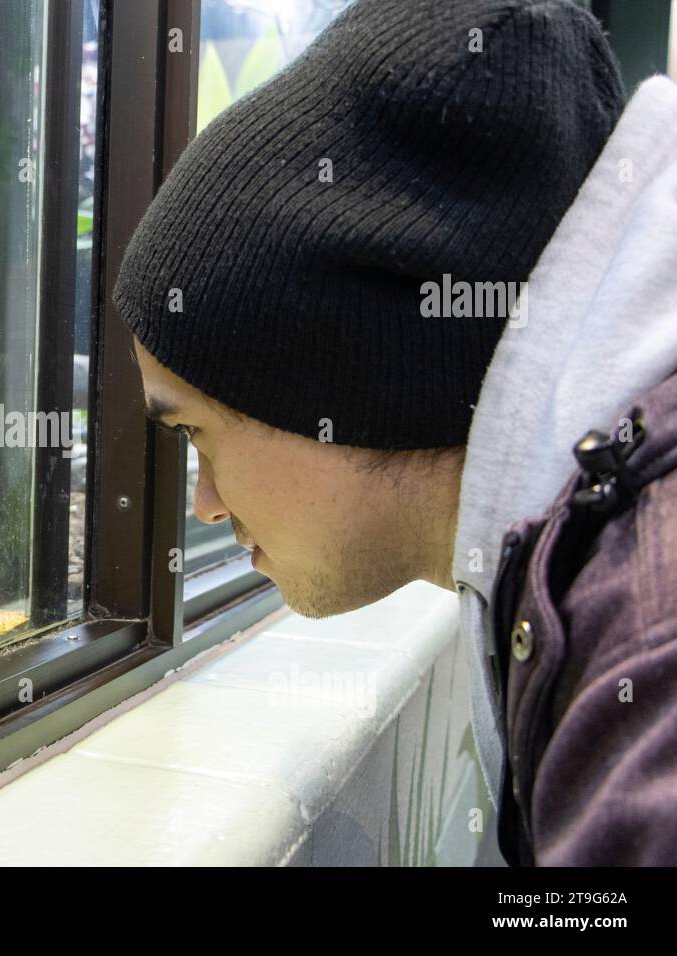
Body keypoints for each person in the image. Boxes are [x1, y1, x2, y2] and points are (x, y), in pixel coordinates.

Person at [113, 0, 677, 865]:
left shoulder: (643, 638)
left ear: (343, 377)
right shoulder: (590, 545)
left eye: (195, 434)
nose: (207, 504)